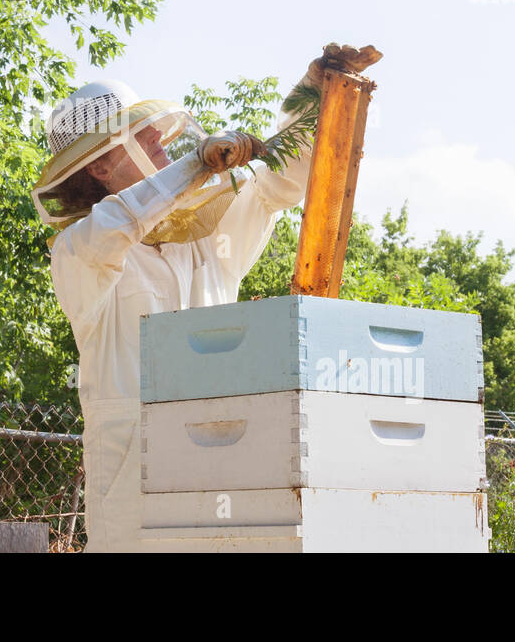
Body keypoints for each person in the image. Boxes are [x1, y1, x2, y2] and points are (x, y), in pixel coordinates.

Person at [31, 44, 381, 552]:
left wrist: (314, 96)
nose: (159, 139)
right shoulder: (79, 251)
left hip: (221, 473)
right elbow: (119, 222)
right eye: (140, 136)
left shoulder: (207, 236)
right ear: (101, 168)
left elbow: (280, 181)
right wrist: (196, 166)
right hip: (134, 500)